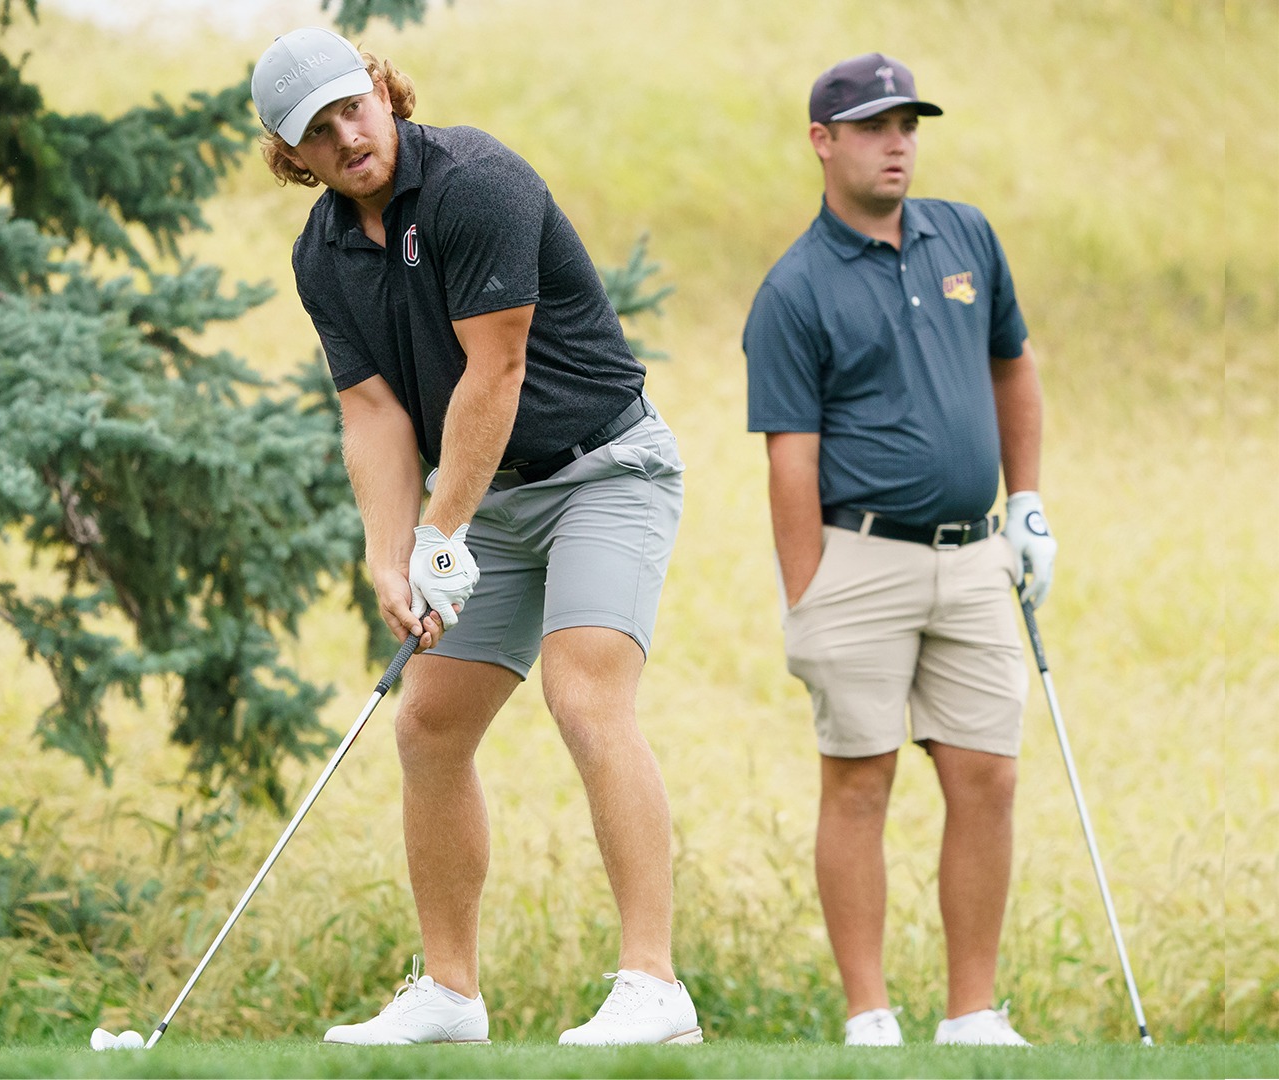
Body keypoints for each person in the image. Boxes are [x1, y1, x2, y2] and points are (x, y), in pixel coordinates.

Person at [252, 27, 699, 1046]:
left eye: (352, 107)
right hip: (485, 500)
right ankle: (451, 995)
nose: (347, 137)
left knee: (584, 692)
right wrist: (388, 553)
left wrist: (440, 533)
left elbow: (493, 372)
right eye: (317, 133)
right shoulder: (321, 252)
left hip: (603, 470)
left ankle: (653, 987)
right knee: (429, 726)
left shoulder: (475, 182)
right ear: (294, 159)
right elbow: (372, 412)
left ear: (382, 89)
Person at [742, 53, 1058, 1046]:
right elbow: (791, 458)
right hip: (859, 560)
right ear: (822, 141)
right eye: (876, 126)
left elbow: (1014, 367)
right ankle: (869, 1015)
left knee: (987, 776)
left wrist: (1031, 505)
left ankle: (971, 1013)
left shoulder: (965, 235)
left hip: (973, 560)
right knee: (861, 777)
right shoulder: (794, 289)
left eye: (909, 125)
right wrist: (810, 594)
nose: (898, 143)